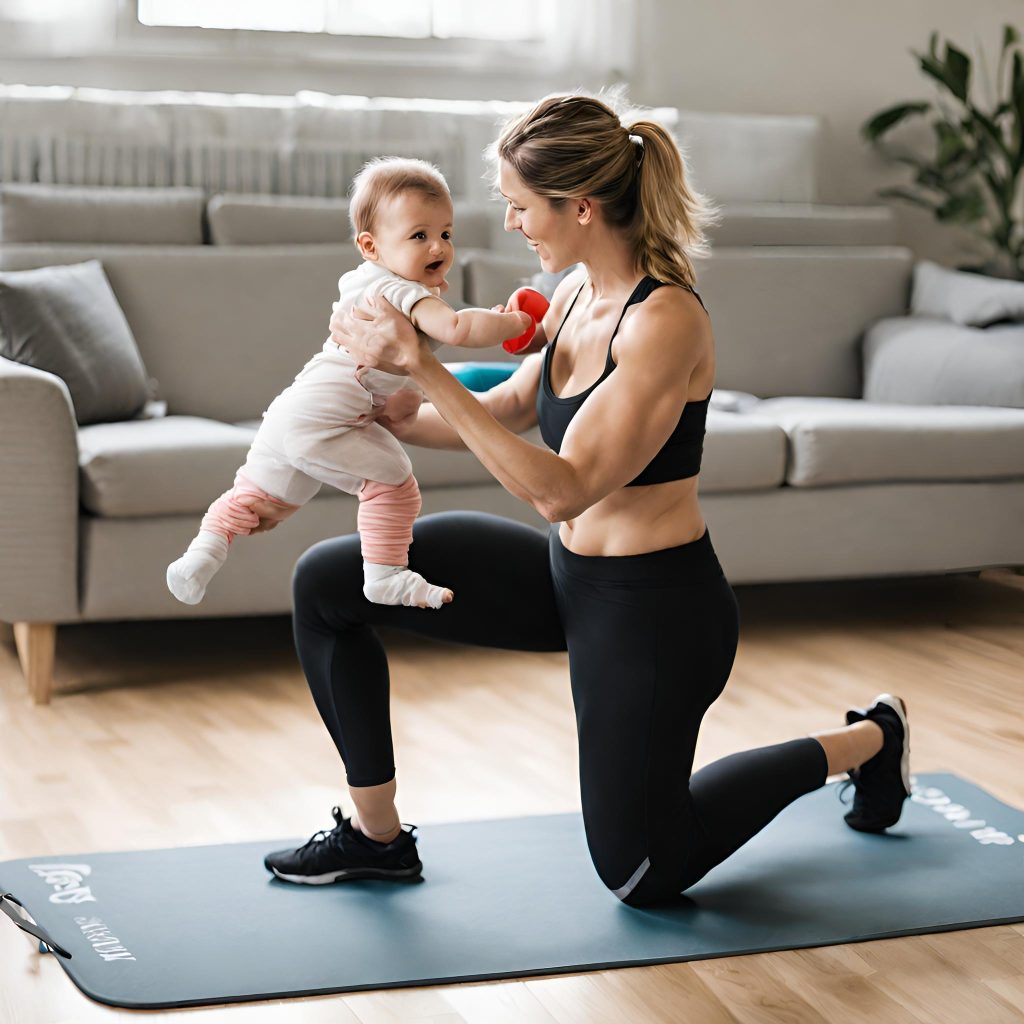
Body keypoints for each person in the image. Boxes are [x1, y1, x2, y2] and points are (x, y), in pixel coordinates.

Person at [261, 93, 912, 905]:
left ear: (581, 205)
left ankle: (869, 738)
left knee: (645, 871)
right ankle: (377, 839)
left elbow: (559, 490)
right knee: (328, 584)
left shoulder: (663, 321)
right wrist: (387, 409)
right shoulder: (570, 293)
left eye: (520, 207)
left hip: (657, 613)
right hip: (568, 580)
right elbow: (510, 404)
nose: (509, 224)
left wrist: (424, 368)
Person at [165, 157, 532, 611]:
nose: (438, 247)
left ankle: (200, 557)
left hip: (292, 413)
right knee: (395, 485)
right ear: (371, 246)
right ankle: (385, 575)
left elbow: (397, 381)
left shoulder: (362, 283)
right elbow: (456, 328)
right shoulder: (400, 289)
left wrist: (402, 401)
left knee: (253, 497)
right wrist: (512, 322)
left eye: (446, 233)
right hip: (326, 424)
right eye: (419, 235)